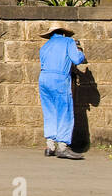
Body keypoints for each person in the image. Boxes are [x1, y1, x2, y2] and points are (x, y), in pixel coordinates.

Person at [38, 21, 88, 160]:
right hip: (59, 79)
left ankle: (50, 145)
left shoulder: (45, 46)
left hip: (44, 79)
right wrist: (81, 52)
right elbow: (77, 59)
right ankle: (62, 146)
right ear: (64, 32)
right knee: (64, 111)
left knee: (50, 111)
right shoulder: (68, 42)